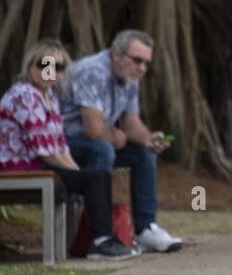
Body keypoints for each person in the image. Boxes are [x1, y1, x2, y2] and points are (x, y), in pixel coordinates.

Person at [0, 39, 136, 260]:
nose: (50, 71)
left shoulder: (50, 98)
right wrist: (79, 176)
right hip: (18, 166)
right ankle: (101, 241)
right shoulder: (24, 95)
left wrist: (78, 173)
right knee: (92, 179)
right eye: (44, 65)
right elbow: (44, 151)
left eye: (58, 67)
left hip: (38, 163)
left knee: (98, 176)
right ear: (31, 65)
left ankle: (103, 239)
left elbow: (59, 145)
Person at [60, 29, 183, 253]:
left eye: (146, 63)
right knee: (102, 149)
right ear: (116, 54)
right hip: (62, 145)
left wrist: (148, 138)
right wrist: (116, 136)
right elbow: (94, 129)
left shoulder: (130, 78)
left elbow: (130, 123)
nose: (142, 68)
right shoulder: (92, 71)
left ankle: (146, 229)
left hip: (95, 143)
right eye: (137, 60)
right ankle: (100, 237)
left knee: (143, 153)